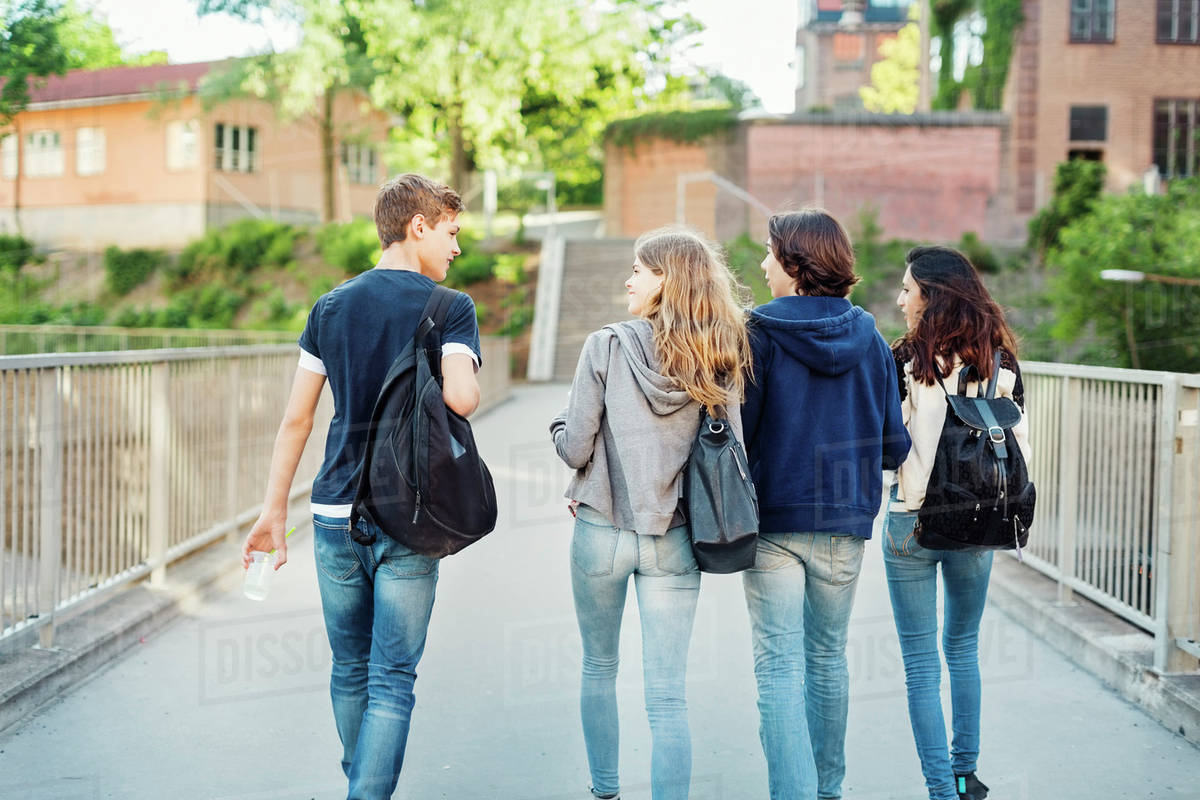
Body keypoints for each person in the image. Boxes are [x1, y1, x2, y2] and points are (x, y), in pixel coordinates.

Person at [241, 173, 482, 800]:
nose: (456, 249)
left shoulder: (331, 306)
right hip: (411, 512)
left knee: (350, 668)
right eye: (451, 233)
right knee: (393, 679)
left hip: (330, 511)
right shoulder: (449, 307)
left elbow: (296, 420)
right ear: (418, 225)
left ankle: (359, 781)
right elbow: (462, 397)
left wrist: (273, 512)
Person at [550, 228, 751, 800]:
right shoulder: (720, 353)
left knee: (598, 667)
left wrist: (557, 428)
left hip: (602, 530)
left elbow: (576, 448)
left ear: (665, 278)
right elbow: (730, 452)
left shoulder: (606, 345)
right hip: (677, 538)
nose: (629, 280)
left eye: (639, 269)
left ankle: (605, 791)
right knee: (668, 695)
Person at [740, 209, 910, 800]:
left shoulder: (755, 334)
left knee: (779, 665)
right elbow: (895, 444)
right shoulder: (870, 336)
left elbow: (740, 433)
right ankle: (828, 790)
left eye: (768, 253)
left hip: (774, 520)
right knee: (828, 659)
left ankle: (791, 792)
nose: (762, 264)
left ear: (793, 262)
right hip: (844, 521)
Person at [885, 245, 1029, 800]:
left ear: (931, 295)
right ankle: (965, 772)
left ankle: (940, 790)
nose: (900, 300)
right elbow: (1020, 444)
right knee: (962, 647)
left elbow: (889, 443)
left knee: (921, 664)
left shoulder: (906, 359)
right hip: (980, 520)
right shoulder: (1001, 361)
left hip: (911, 522)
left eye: (906, 289)